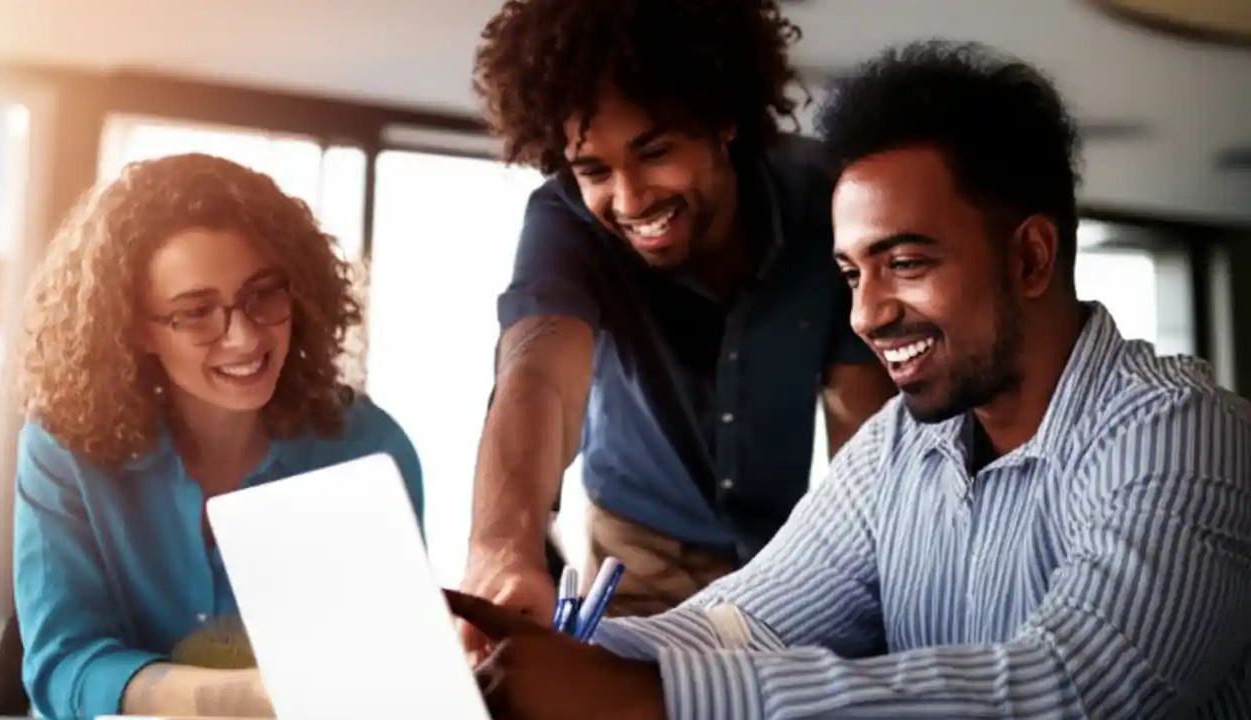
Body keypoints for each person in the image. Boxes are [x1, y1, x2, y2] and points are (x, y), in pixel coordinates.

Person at [447, 40, 1251, 719]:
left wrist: (645, 698)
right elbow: (742, 625)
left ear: (1031, 257)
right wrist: (546, 652)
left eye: (904, 263)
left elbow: (1073, 690)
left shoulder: (1182, 433)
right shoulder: (900, 450)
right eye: (849, 274)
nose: (866, 315)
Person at [461, 0, 894, 637]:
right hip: (635, 560)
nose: (631, 200)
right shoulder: (564, 221)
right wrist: (501, 550)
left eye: (655, 152)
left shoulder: (823, 200)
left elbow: (865, 431)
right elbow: (539, 371)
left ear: (721, 119)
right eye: (595, 171)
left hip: (789, 553)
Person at [13, 153, 424, 720]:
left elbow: (385, 663)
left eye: (263, 294)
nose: (243, 337)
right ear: (136, 328)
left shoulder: (367, 447)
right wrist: (234, 700)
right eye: (196, 312)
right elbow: (62, 664)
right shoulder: (63, 448)